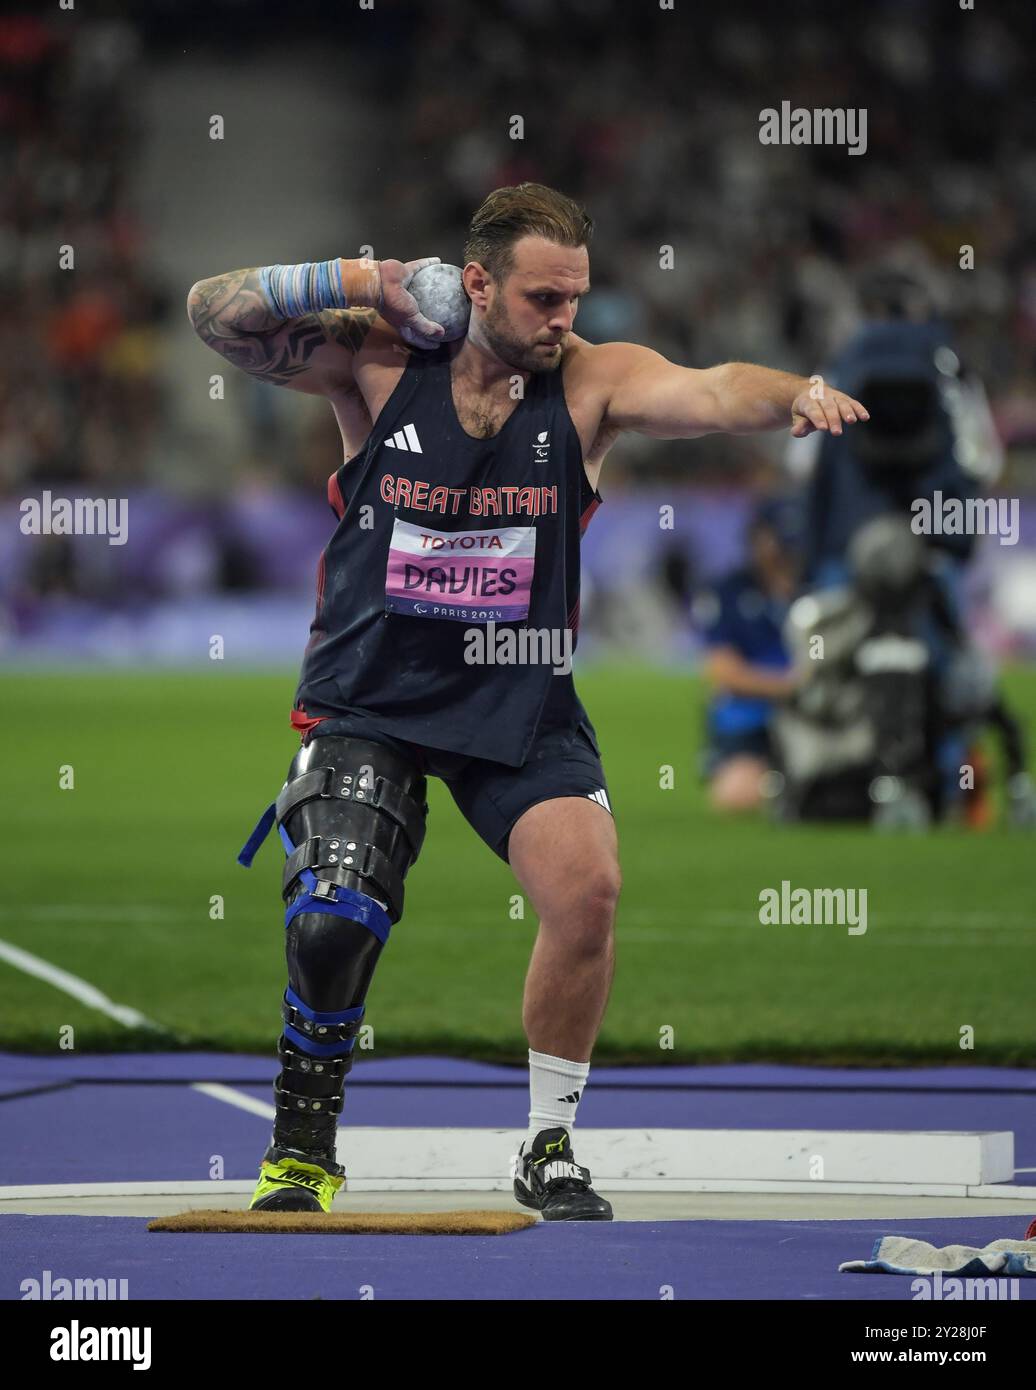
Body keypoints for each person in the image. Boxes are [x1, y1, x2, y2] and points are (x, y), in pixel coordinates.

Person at [187, 182, 867, 1221]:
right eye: (543, 298)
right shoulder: (379, 358)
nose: (563, 319)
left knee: (588, 891)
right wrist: (361, 279)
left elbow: (715, 387)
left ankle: (548, 1143)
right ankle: (301, 1148)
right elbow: (214, 313)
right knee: (333, 915)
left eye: (575, 296)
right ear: (475, 284)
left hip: (519, 695)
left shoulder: (590, 383)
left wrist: (799, 392)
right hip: (372, 695)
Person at [698, 497, 802, 811]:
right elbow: (723, 671)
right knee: (734, 795)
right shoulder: (728, 591)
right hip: (749, 718)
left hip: (808, 715)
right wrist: (791, 687)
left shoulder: (814, 587)